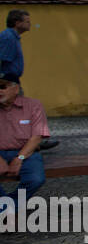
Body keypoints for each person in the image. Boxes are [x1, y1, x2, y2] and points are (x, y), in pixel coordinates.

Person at [0, 10, 58, 151]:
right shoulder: (8, 37)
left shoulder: (13, 37)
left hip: (11, 79)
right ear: (17, 22)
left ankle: (31, 141)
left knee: (21, 110)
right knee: (19, 109)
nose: (29, 24)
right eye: (27, 21)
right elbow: (2, 59)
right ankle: (30, 143)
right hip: (8, 80)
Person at [0, 73, 49, 213]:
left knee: (36, 179)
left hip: (26, 152)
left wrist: (19, 158)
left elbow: (37, 136)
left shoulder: (33, 105)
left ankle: (7, 209)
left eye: (3, 86)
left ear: (16, 89)